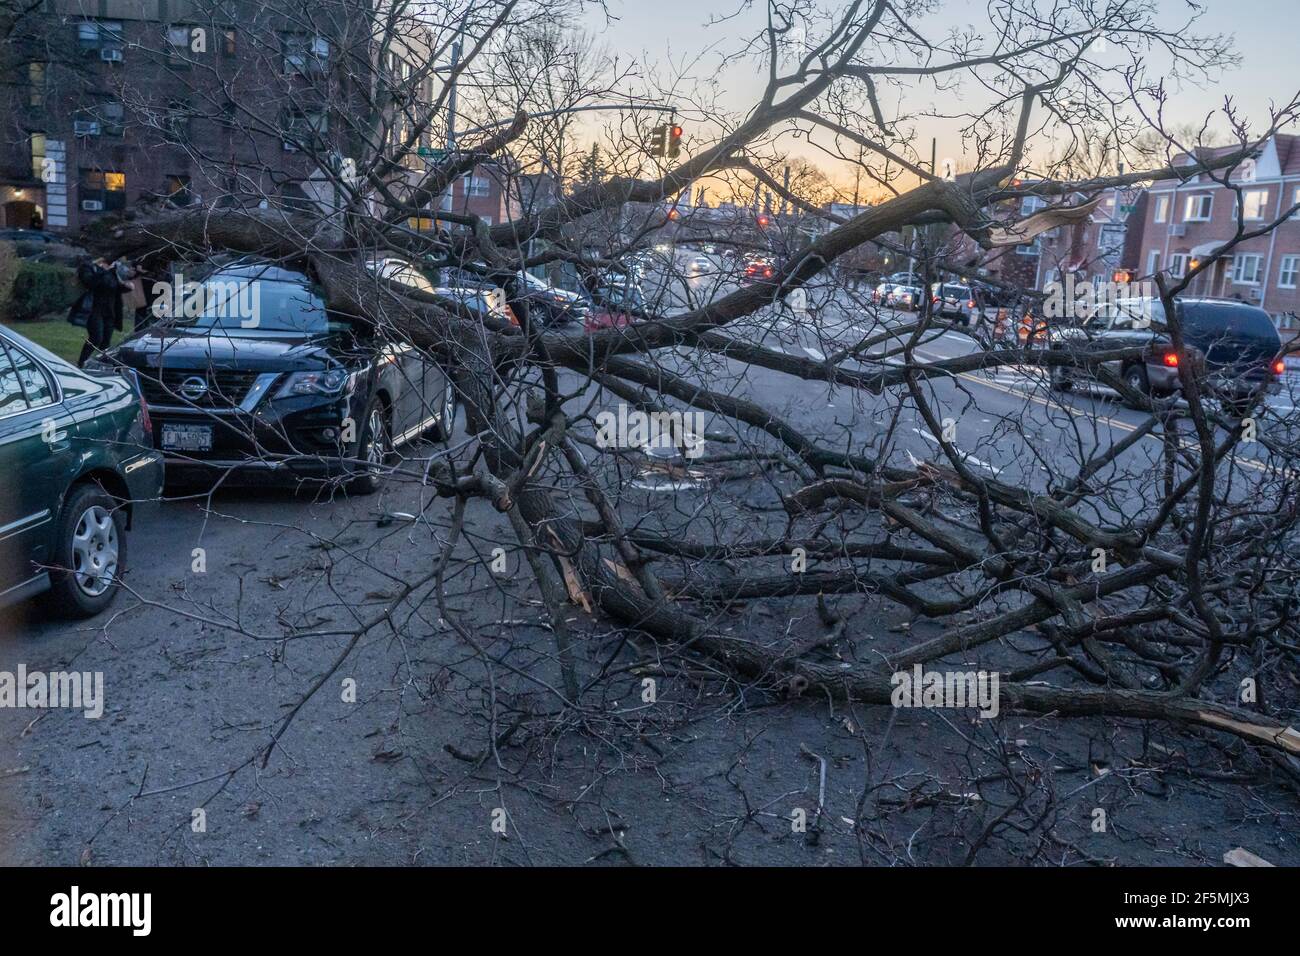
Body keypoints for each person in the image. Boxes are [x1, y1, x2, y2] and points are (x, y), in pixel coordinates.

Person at [75, 257, 129, 368]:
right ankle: (82, 363)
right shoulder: (89, 267)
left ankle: (102, 365)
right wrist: (104, 271)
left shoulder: (112, 270)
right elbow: (90, 283)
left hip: (110, 311)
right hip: (94, 310)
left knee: (106, 341)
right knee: (96, 338)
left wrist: (126, 287)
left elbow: (114, 287)